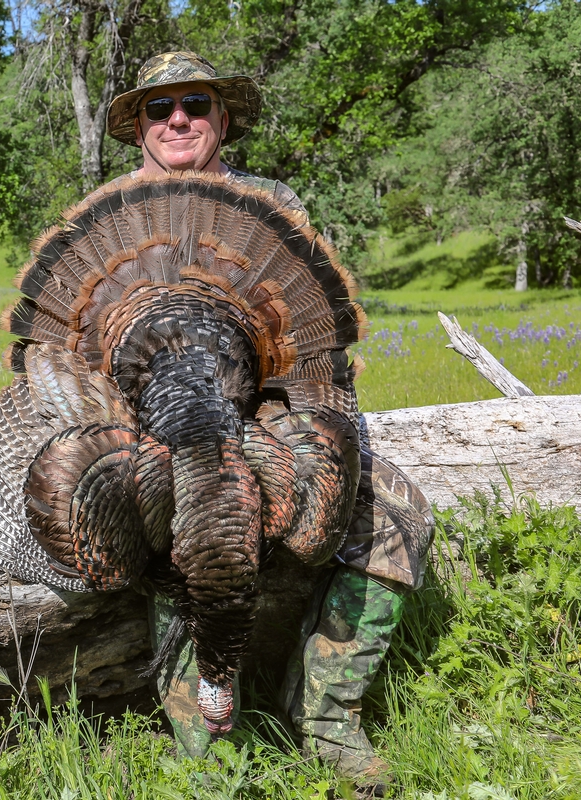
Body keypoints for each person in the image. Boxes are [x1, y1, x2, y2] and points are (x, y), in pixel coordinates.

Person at [102, 51, 435, 794]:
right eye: (160, 108)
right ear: (139, 127)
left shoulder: (271, 202)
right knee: (189, 516)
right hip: (148, 435)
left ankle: (325, 715)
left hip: (264, 420)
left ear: (222, 119)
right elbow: (74, 367)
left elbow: (312, 352)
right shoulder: (113, 209)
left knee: (398, 514)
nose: (178, 119)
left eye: (195, 104)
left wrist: (282, 443)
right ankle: (204, 742)